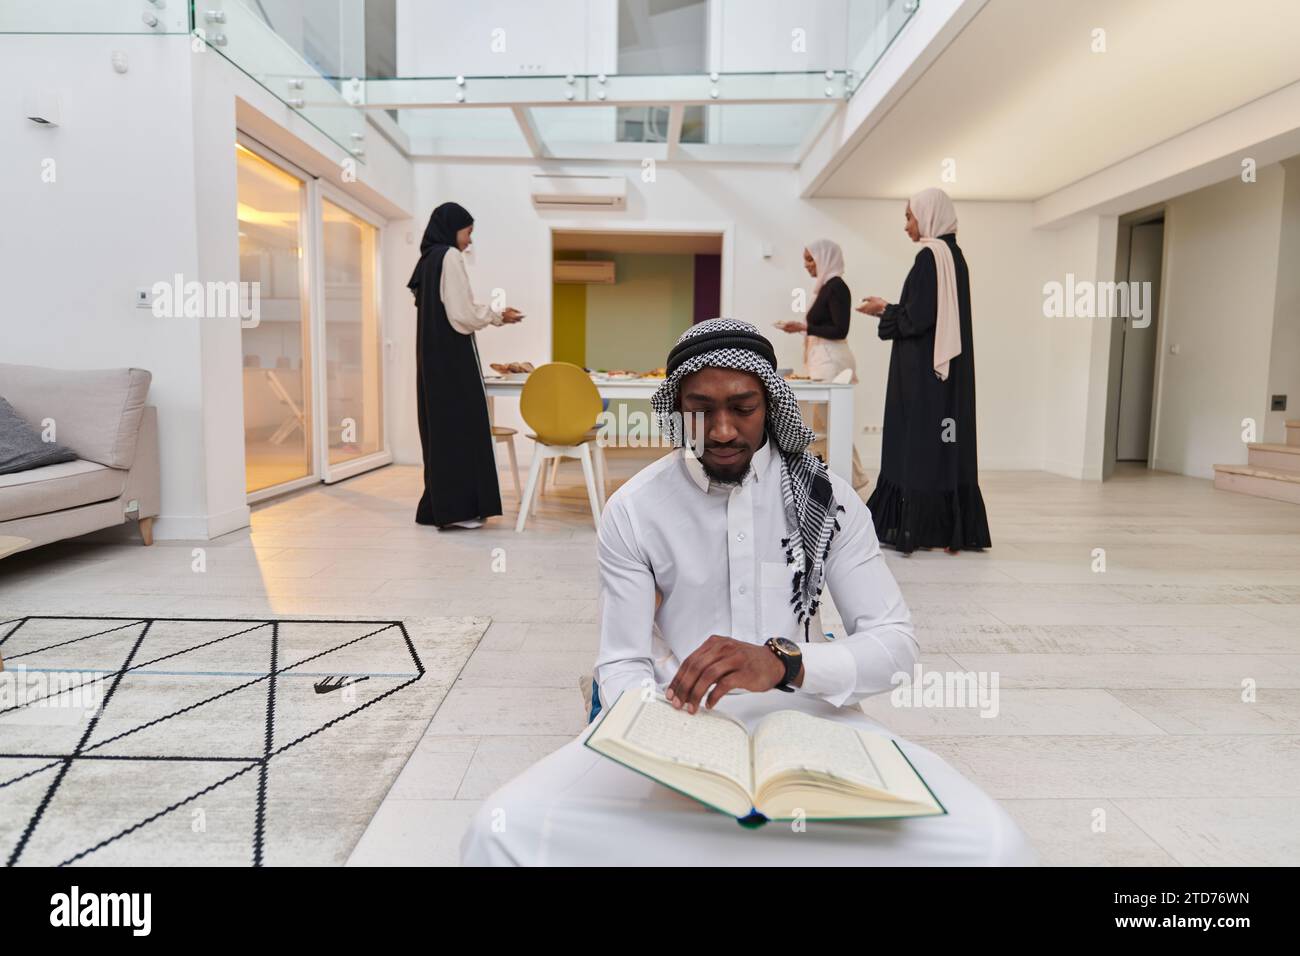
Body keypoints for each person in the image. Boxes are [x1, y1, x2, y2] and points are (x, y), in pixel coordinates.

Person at [459, 319, 1035, 866]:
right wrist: (654, 739)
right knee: (500, 829)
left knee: (994, 846)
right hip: (675, 723)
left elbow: (895, 648)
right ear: (675, 410)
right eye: (700, 410)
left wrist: (784, 665)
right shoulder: (635, 509)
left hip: (814, 726)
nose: (723, 430)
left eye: (743, 408)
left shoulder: (825, 498)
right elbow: (622, 663)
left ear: (770, 405)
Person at [857, 188, 991, 554]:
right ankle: (945, 530)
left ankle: (913, 528)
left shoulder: (929, 258)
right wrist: (892, 308)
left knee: (914, 443)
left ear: (928, 216)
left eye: (909, 217)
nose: (906, 226)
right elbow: (931, 314)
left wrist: (885, 310)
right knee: (941, 443)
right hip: (944, 377)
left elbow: (917, 318)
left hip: (919, 375)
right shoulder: (954, 257)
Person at [407, 202, 523, 530]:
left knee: (442, 429)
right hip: (452, 359)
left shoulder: (427, 260)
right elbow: (462, 315)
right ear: (452, 228)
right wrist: (498, 316)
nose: (469, 241)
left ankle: (442, 506)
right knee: (465, 427)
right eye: (468, 232)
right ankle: (461, 510)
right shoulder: (449, 256)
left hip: (432, 360)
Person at [777, 239, 869, 492]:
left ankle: (851, 481)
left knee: (832, 426)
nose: (806, 265)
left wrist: (803, 327)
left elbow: (840, 329)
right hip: (823, 362)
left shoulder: (837, 286)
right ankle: (848, 480)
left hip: (832, 363)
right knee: (826, 426)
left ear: (824, 258)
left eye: (810, 259)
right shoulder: (826, 288)